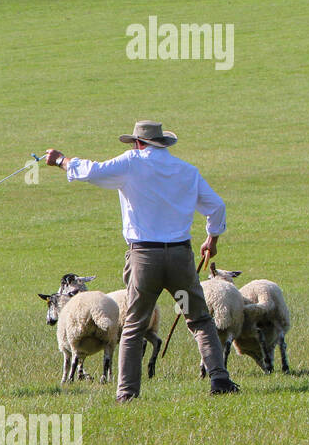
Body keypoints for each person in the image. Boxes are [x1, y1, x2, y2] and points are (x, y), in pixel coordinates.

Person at [44, 120, 239, 401]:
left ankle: (127, 392)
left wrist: (61, 160)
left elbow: (91, 171)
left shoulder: (131, 163)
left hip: (145, 260)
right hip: (180, 262)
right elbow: (216, 207)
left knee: (135, 325)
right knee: (198, 318)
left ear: (138, 143)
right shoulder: (186, 171)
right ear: (162, 143)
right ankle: (219, 378)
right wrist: (212, 239)